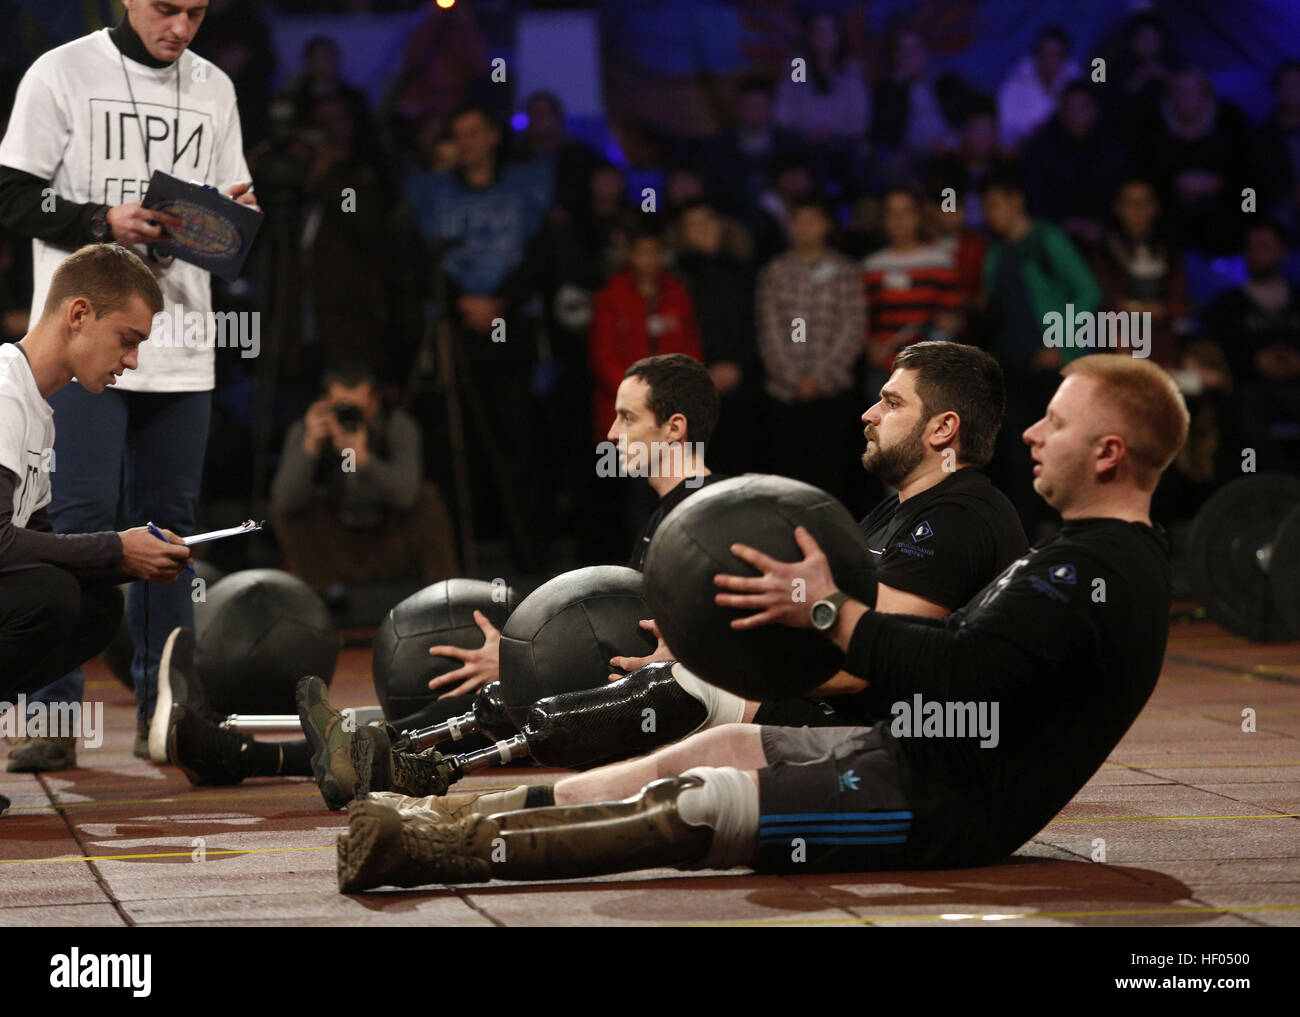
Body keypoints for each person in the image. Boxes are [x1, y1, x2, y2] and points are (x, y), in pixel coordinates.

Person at [332, 354, 1189, 890]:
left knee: (704, 804)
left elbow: (957, 669)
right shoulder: (1078, 555)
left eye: (1059, 422)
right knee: (713, 750)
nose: (1034, 432)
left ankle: (455, 848)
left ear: (1109, 452)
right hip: (906, 750)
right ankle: (444, 809)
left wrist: (821, 610)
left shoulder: (1099, 570)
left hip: (942, 805)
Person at [343, 342, 1029, 799]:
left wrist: (721, 659)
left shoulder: (963, 514)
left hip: (885, 740)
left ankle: (422, 761)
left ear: (943, 429)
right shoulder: (891, 515)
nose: (868, 412)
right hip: (823, 706)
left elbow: (888, 659)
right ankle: (398, 752)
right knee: (653, 677)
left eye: (891, 402)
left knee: (673, 683)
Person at [171, 354, 727, 808]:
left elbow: (706, 641)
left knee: (497, 694)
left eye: (627, 418)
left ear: (674, 427)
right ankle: (257, 752)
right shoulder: (674, 516)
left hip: (670, 706)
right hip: (638, 686)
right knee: (486, 683)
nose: (610, 432)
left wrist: (543, 663)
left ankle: (269, 755)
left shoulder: (701, 520)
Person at [0, 0, 256, 769]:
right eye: (164, 8)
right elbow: (12, 196)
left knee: (169, 531)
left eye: (197, 12)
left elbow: (238, 215)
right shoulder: (61, 72)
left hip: (180, 342)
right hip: (89, 343)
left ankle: (165, 712)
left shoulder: (215, 87)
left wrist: (219, 226)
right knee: (72, 517)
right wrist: (101, 219)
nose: (179, 27)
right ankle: (48, 715)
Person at [1, 245, 192, 725]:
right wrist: (114, 548)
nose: (131, 361)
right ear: (80, 314)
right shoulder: (4, 396)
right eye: (127, 340)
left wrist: (132, 559)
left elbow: (42, 542)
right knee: (51, 596)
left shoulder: (37, 410)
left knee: (96, 605)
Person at [269, 364, 459, 597]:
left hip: (388, 538)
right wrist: (310, 449)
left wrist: (365, 461)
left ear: (375, 401)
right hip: (335, 543)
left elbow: (408, 495)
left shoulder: (398, 426)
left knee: (428, 499)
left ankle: (445, 601)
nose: (350, 416)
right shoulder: (309, 430)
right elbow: (285, 501)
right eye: (342, 408)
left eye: (356, 409)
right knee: (288, 510)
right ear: (323, 403)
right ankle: (321, 600)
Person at [980, 169, 1100, 536]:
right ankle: (1027, 537)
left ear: (1017, 201)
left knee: (1063, 448)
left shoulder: (1047, 239)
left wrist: (1060, 345)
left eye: (995, 205)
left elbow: (1088, 291)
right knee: (1017, 454)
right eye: (985, 208)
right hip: (1010, 367)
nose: (990, 214)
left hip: (1052, 368)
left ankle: (1075, 530)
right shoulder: (996, 253)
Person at [756, 197, 865, 508]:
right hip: (783, 393)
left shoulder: (845, 271)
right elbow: (769, 330)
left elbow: (852, 328)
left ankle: (831, 546)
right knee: (786, 480)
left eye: (812, 220)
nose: (804, 228)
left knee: (830, 477)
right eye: (798, 220)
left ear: (826, 225)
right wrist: (793, 378)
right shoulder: (774, 271)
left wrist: (819, 378)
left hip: (833, 391)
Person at [862, 187, 962, 395]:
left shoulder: (940, 261)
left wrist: (945, 327)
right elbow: (862, 319)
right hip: (885, 367)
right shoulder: (872, 266)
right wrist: (871, 346)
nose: (899, 220)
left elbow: (952, 316)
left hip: (930, 371)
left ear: (918, 216)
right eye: (892, 213)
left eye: (906, 212)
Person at [996, 26, 1080, 149]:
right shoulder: (1016, 78)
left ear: (1064, 58)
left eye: (1056, 55)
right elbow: (1005, 125)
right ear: (1036, 54)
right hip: (1024, 147)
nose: (1049, 61)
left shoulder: (1075, 78)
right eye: (1045, 54)